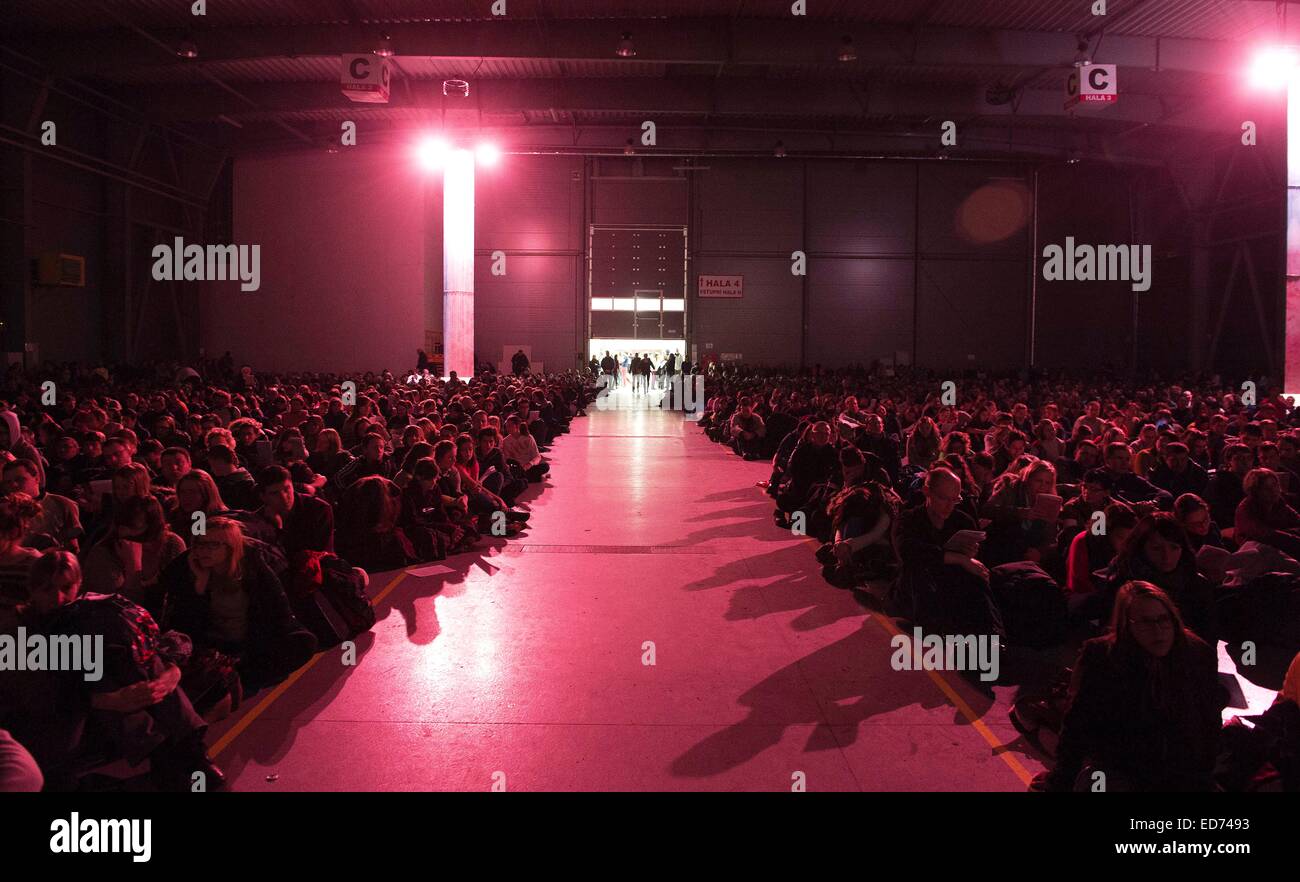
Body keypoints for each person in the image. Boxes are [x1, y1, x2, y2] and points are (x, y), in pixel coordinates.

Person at [1032, 581, 1224, 792]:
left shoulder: (1197, 653)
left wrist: (1204, 774)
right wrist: (1060, 781)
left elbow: (1209, 719)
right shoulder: (1103, 657)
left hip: (1180, 768)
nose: (1158, 630)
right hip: (1121, 766)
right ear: (1127, 625)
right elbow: (1078, 724)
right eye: (1145, 622)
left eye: (1163, 619)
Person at [161, 518, 317, 694]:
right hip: (212, 645)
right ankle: (231, 679)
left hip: (250, 642)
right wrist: (200, 588)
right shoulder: (186, 568)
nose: (203, 550)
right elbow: (186, 628)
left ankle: (238, 678)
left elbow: (281, 611)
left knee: (304, 642)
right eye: (200, 544)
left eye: (213, 545)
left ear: (230, 548)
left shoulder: (252, 565)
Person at [891, 468, 1002, 638]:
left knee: (977, 577)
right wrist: (959, 559)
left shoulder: (962, 520)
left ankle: (992, 634)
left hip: (952, 582)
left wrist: (972, 555)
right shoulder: (910, 519)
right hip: (917, 585)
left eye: (955, 499)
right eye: (943, 498)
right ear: (927, 492)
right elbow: (909, 552)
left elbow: (977, 559)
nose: (949, 506)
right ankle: (937, 629)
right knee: (920, 570)